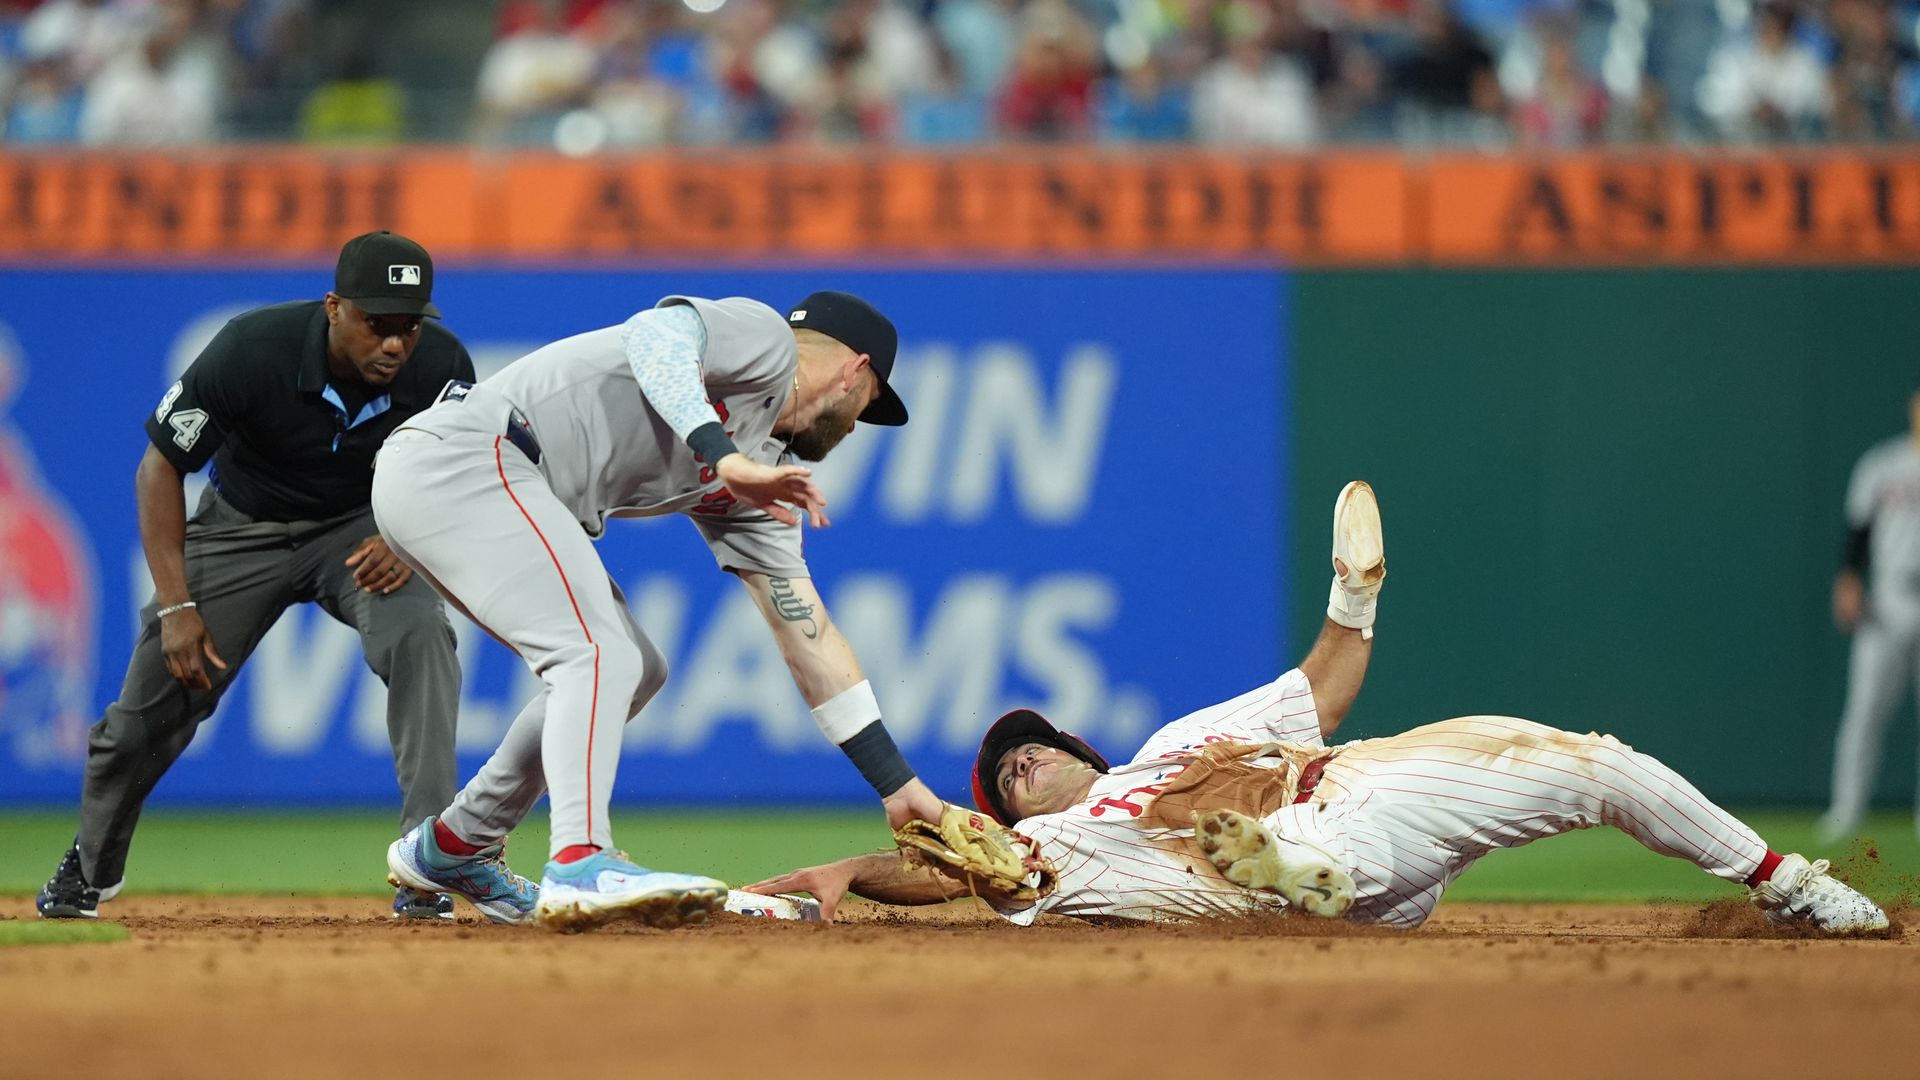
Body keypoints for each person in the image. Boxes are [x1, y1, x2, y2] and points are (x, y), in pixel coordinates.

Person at [749, 482, 1890, 934]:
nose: (1022, 771)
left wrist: (1355, 593)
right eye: (1005, 776)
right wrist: (853, 871)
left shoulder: (1177, 742)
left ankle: (1792, 885)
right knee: (1071, 871)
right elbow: (966, 862)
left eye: (1034, 753)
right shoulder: (1051, 839)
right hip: (1258, 878)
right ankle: (1304, 878)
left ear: (1078, 748)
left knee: (1592, 762)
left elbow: (1325, 691)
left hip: (1353, 799)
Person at [375, 289, 947, 932]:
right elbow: (655, 338)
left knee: (637, 667)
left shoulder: (761, 470)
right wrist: (721, 453)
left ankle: (457, 846)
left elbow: (806, 633)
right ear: (855, 370)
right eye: (869, 405)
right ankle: (581, 858)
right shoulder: (765, 341)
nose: (854, 427)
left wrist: (899, 788)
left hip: (483, 483)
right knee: (596, 654)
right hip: (470, 454)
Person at [36, 231, 481, 922]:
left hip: (363, 532)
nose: (396, 343)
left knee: (422, 632)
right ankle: (90, 866)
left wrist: (414, 543)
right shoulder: (251, 348)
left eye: (409, 326)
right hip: (242, 527)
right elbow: (160, 465)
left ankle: (427, 866)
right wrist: (176, 605)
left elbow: (471, 469)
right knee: (143, 715)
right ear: (334, 307)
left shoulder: (445, 367)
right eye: (378, 323)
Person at [1821, 389, 1920, 844]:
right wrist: (1848, 578)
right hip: (1888, 598)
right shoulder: (1883, 463)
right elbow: (1858, 531)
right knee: (1863, 712)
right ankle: (1845, 812)